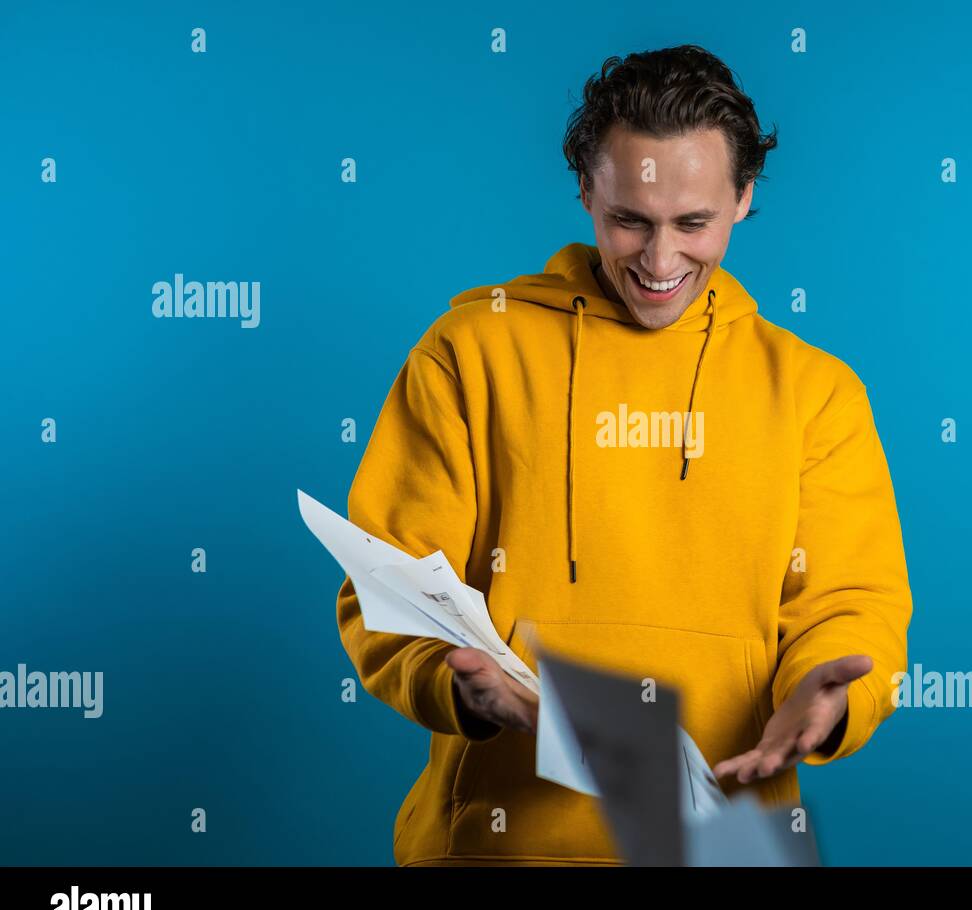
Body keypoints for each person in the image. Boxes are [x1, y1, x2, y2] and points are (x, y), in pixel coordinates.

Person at [337, 44, 911, 866]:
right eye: (630, 221)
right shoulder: (471, 350)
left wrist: (830, 694)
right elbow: (385, 581)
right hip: (497, 846)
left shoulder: (816, 391)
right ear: (586, 192)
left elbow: (850, 602)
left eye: (694, 223)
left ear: (744, 199)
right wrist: (446, 678)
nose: (659, 260)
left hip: (726, 846)